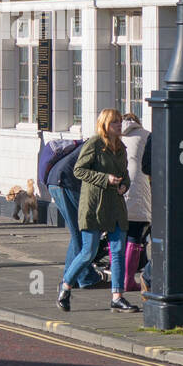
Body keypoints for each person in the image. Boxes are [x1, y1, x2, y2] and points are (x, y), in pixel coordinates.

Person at [56, 108, 138, 313]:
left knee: (117, 251)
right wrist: (105, 179)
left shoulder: (121, 147)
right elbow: (79, 170)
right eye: (114, 123)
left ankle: (117, 296)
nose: (119, 125)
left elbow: (125, 174)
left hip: (115, 206)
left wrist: (124, 185)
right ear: (104, 125)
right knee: (88, 252)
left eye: (120, 122)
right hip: (94, 206)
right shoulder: (94, 144)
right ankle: (65, 286)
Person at [45, 141, 108, 290]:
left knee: (77, 233)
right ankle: (85, 277)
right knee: (82, 232)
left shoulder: (95, 142)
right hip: (66, 183)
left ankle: (71, 277)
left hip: (56, 181)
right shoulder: (102, 145)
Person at [121, 112, 151, 292]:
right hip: (138, 188)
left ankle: (118, 280)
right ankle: (128, 279)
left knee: (117, 234)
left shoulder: (114, 135)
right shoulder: (146, 135)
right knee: (135, 233)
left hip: (117, 186)